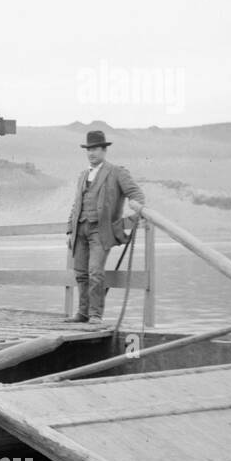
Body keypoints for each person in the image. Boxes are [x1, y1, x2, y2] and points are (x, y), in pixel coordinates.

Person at [65, 129, 145, 322]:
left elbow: (137, 196)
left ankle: (95, 315)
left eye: (95, 149)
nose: (91, 153)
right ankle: (83, 313)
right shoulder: (83, 175)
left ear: (104, 150)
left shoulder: (117, 172)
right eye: (88, 149)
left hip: (100, 232)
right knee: (81, 273)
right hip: (80, 231)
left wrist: (133, 217)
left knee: (95, 272)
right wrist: (70, 230)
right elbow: (76, 205)